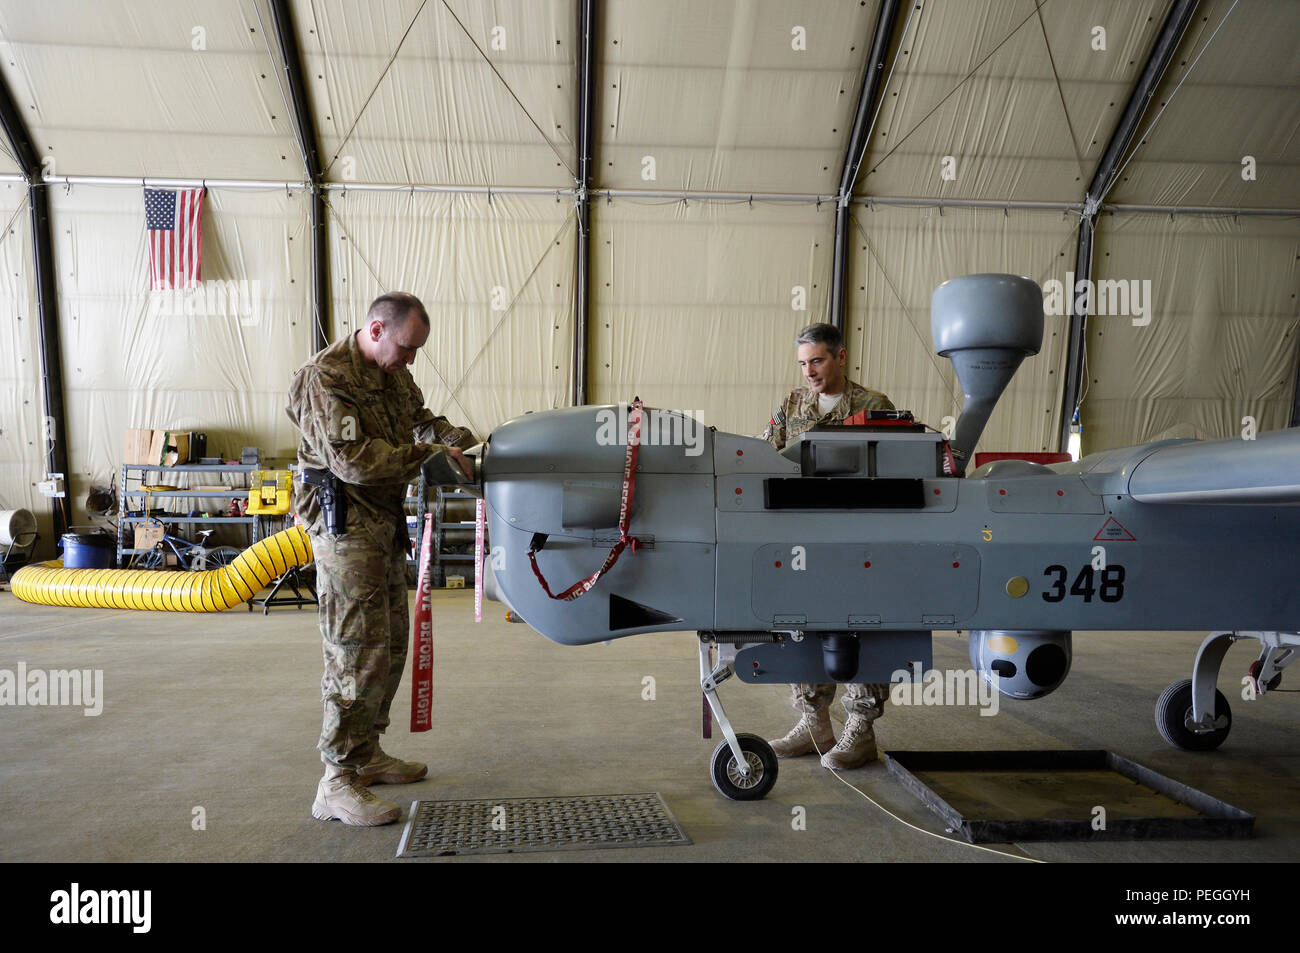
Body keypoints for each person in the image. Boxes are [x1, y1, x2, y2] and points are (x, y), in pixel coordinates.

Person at [286, 292, 474, 826]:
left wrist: (453, 438)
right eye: (407, 347)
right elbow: (354, 462)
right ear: (375, 329)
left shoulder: (392, 373)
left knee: (389, 646)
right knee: (355, 653)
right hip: (346, 531)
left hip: (383, 529)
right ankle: (337, 780)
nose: (411, 359)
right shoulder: (325, 378)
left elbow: (418, 421)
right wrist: (429, 456)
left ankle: (367, 753)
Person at [760, 323, 895, 770]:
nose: (809, 372)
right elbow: (765, 454)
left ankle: (861, 729)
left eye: (816, 361)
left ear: (840, 356)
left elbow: (893, 473)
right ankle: (813, 722)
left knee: (861, 624)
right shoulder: (793, 404)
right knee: (801, 622)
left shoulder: (874, 405)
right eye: (802, 364)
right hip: (802, 537)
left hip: (858, 539)